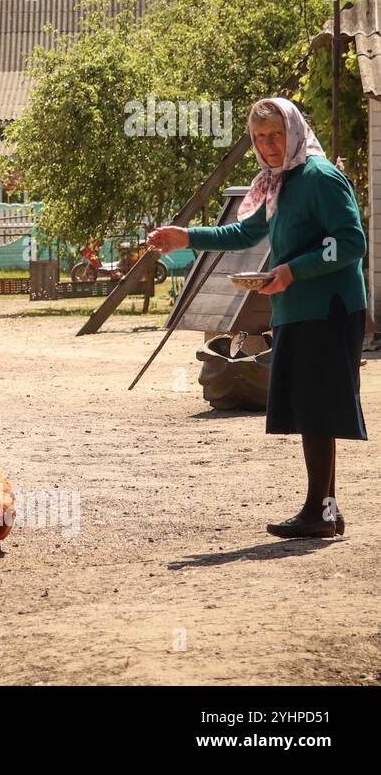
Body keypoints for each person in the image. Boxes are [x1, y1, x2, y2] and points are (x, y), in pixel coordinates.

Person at [148, 97, 367, 539]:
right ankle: (327, 512)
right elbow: (245, 232)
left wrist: (292, 270)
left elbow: (350, 242)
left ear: (294, 131)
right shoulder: (275, 181)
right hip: (296, 308)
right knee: (313, 408)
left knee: (317, 410)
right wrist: (186, 236)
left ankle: (317, 512)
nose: (267, 144)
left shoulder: (321, 178)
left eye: (274, 135)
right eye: (259, 137)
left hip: (329, 309)